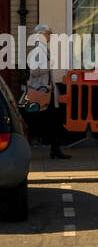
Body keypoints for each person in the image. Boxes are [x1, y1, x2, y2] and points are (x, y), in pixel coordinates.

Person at [25, 23, 70, 160]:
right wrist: (47, 66)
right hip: (41, 92)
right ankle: (50, 149)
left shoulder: (44, 49)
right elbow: (34, 71)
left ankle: (55, 149)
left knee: (53, 120)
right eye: (49, 33)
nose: (50, 36)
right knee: (41, 121)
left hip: (48, 91)